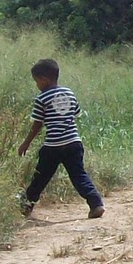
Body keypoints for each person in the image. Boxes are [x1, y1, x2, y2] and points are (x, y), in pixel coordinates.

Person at [17, 58, 105, 219]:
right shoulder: (69, 93)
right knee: (79, 175)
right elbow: (75, 114)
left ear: (44, 79)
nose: (37, 85)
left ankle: (26, 206)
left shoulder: (42, 98)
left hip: (53, 146)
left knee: (41, 177)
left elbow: (37, 125)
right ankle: (96, 204)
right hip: (74, 142)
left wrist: (26, 143)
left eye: (36, 81)